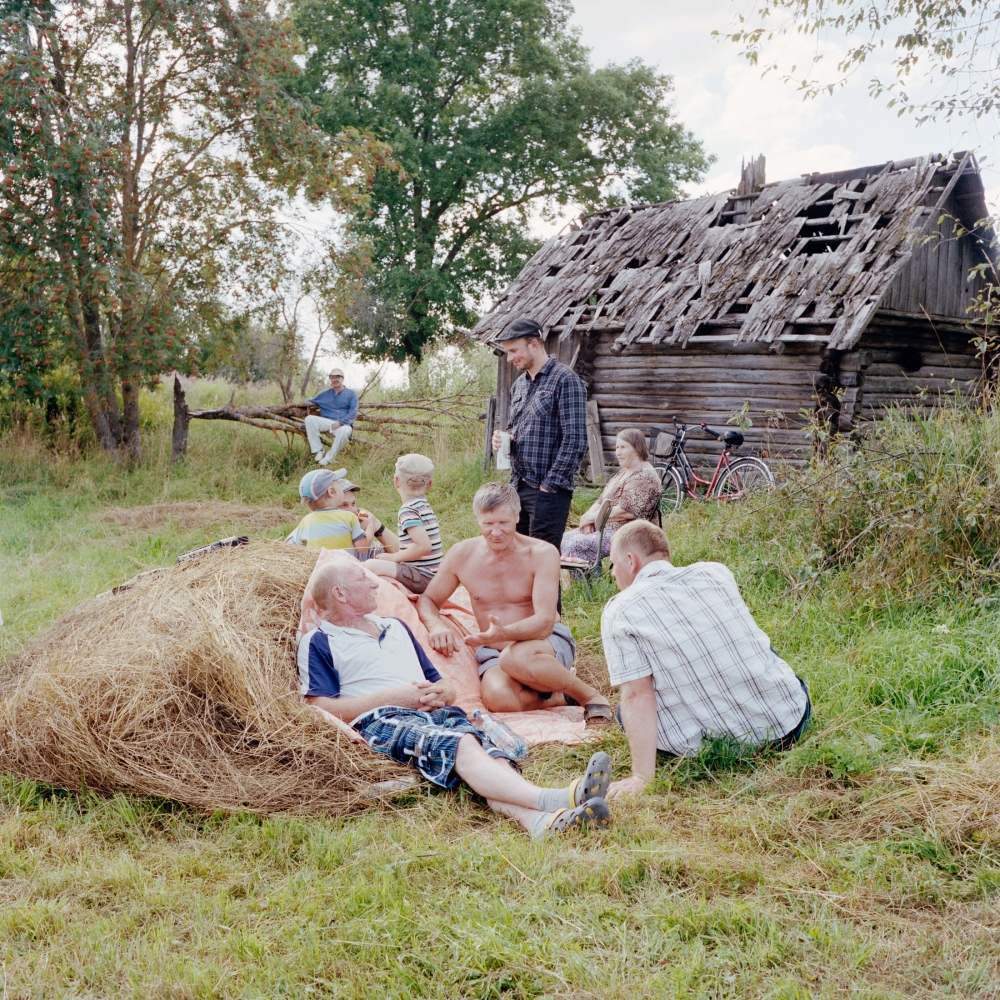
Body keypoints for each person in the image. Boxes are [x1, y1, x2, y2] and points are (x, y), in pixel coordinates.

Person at [299, 558, 613, 836]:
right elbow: (319, 707)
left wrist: (444, 692)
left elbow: (441, 682)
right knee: (461, 743)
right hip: (382, 720)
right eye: (362, 579)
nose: (373, 583)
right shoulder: (320, 641)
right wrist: (394, 698)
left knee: (490, 754)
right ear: (340, 594)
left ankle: (540, 824)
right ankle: (556, 798)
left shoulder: (395, 627)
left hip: (435, 712)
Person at [600, 520, 811, 800]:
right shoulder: (715, 572)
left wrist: (642, 777)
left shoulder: (620, 611)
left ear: (630, 560)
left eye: (612, 565)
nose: (613, 574)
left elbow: (637, 695)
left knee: (624, 711)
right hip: (787, 725)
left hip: (708, 748)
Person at [417, 482, 613, 723]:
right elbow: (428, 599)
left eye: (504, 523)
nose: (496, 532)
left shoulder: (541, 553)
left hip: (544, 642)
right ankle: (558, 696)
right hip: (494, 653)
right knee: (498, 699)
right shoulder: (462, 554)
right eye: (488, 524)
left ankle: (590, 697)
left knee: (514, 657)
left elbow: (545, 622)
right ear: (478, 520)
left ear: (517, 516)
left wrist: (504, 633)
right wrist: (435, 625)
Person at [490, 317, 587, 550]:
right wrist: (505, 439)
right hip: (518, 488)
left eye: (514, 351)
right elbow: (515, 428)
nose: (509, 358)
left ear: (534, 344)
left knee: (542, 560)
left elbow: (575, 440)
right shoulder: (519, 385)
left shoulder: (565, 380)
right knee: (517, 558)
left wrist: (549, 485)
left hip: (549, 492)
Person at [561, 428, 663, 564]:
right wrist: (588, 519)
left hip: (631, 533)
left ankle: (590, 578)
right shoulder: (623, 473)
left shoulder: (644, 476)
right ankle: (581, 577)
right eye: (617, 447)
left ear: (637, 449)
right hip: (607, 528)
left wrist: (592, 518)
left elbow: (626, 512)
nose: (618, 452)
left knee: (577, 545)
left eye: (623, 447)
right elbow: (600, 501)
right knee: (564, 539)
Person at [365, 454, 442, 595]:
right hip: (430, 576)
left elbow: (424, 546)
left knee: (369, 566)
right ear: (429, 484)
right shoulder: (422, 505)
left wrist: (393, 557)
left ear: (396, 481)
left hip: (423, 577)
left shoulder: (408, 510)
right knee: (383, 574)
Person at [285, 469, 373, 555]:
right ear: (331, 492)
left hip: (319, 564)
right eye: (339, 486)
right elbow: (362, 548)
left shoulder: (305, 521)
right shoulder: (349, 517)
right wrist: (371, 524)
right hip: (345, 563)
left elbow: (291, 547)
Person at [304, 368, 359, 466]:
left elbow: (353, 412)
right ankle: (319, 450)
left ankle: (329, 458)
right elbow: (310, 401)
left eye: (337, 377)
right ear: (330, 379)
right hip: (327, 422)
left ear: (342, 379)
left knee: (344, 431)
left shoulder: (351, 394)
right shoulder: (325, 394)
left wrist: (341, 422)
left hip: (344, 425)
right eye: (332, 378)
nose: (335, 380)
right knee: (309, 419)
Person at [336, 478, 400, 561]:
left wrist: (375, 524)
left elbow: (401, 554)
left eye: (353, 504)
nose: (353, 510)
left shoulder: (360, 541)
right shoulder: (324, 542)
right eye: (343, 505)